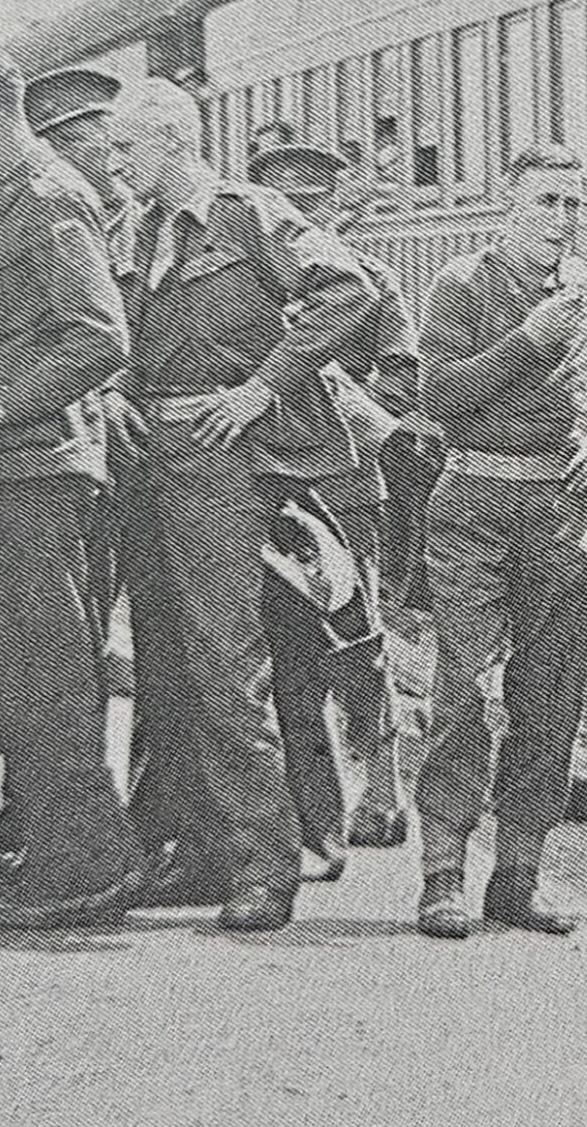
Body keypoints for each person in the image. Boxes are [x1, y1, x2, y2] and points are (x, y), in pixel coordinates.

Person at [107, 78, 375, 932]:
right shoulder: (139, 230)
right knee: (164, 662)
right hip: (151, 457)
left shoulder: (247, 215)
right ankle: (191, 850)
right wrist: (117, 390)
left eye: (127, 151)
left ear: (174, 143)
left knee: (226, 664)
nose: (115, 167)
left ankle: (267, 865)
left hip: (222, 461)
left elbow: (350, 292)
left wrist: (264, 387)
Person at [0, 45, 147, 927]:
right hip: (22, 464)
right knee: (29, 672)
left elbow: (99, 338)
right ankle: (66, 852)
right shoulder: (14, 201)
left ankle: (84, 872)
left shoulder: (48, 202)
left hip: (41, 466)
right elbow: (26, 331)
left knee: (47, 675)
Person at [412, 144, 587, 940]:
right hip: (473, 502)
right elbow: (437, 395)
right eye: (545, 202)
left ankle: (518, 877)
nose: (560, 219)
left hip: (557, 508)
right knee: (466, 692)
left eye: (572, 204)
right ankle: (443, 872)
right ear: (508, 206)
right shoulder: (462, 284)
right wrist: (530, 343)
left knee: (551, 694)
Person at [248, 142, 416, 861]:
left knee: (357, 641)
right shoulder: (249, 280)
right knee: (276, 648)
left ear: (337, 207)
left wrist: (348, 404)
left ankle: (383, 787)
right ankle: (307, 805)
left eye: (316, 202)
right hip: (259, 477)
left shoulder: (370, 280)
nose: (304, 212)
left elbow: (405, 381)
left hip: (344, 484)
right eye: (290, 201)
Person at [23, 66, 136, 693]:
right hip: (85, 440)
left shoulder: (145, 222)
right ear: (60, 149)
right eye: (103, 145)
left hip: (151, 446)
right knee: (71, 622)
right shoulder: (52, 221)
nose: (119, 160)